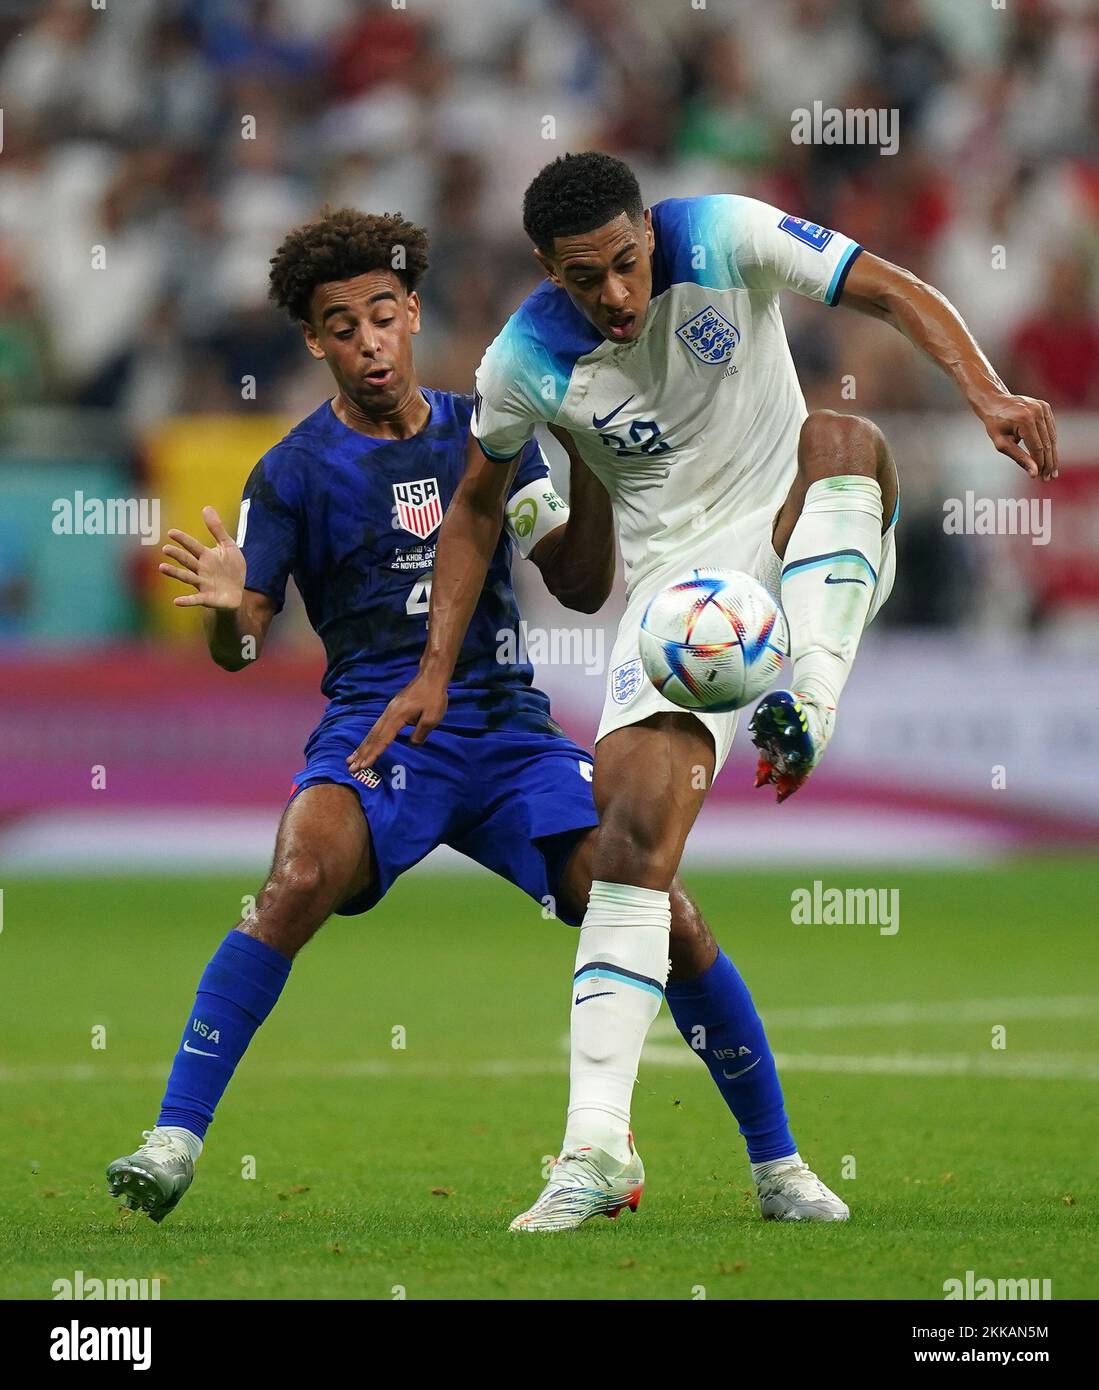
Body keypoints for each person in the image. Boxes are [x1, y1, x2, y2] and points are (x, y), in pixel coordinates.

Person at [348, 152, 1057, 1231]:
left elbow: (891, 288)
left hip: (807, 531)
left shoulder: (724, 234)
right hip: (683, 609)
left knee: (844, 437)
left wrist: (986, 393)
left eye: (628, 264)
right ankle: (594, 1148)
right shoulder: (524, 362)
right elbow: (482, 516)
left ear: (650, 231)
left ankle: (806, 706)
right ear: (549, 271)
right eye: (587, 279)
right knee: (629, 845)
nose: (617, 295)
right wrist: (434, 670)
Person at [106, 207, 841, 1228]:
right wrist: (232, 611)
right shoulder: (288, 474)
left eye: (382, 316)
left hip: (503, 729)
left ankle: (780, 1166)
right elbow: (242, 647)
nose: (368, 343)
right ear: (314, 340)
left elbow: (580, 586)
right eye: (341, 326)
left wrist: (583, 462)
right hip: (379, 729)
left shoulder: (487, 428)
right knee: (295, 879)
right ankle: (172, 1140)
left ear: (410, 313)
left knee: (652, 905)